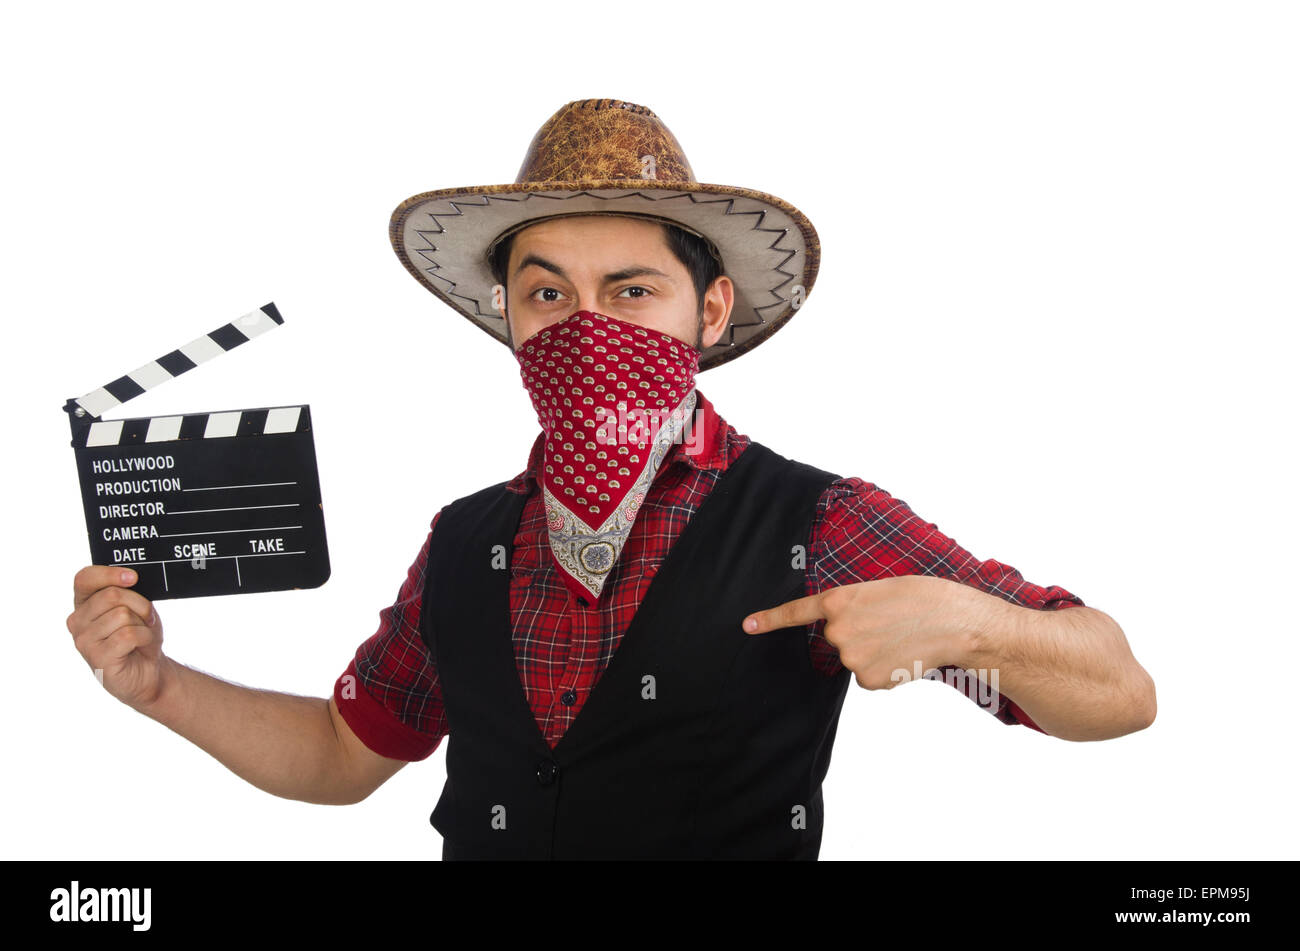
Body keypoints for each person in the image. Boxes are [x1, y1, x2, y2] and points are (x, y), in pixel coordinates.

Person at [67, 98, 1156, 860]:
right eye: (547, 296)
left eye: (630, 291)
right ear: (507, 317)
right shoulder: (462, 541)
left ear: (708, 313)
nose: (585, 329)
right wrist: (160, 688)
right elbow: (344, 755)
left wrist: (969, 628)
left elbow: (1117, 694)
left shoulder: (814, 519)